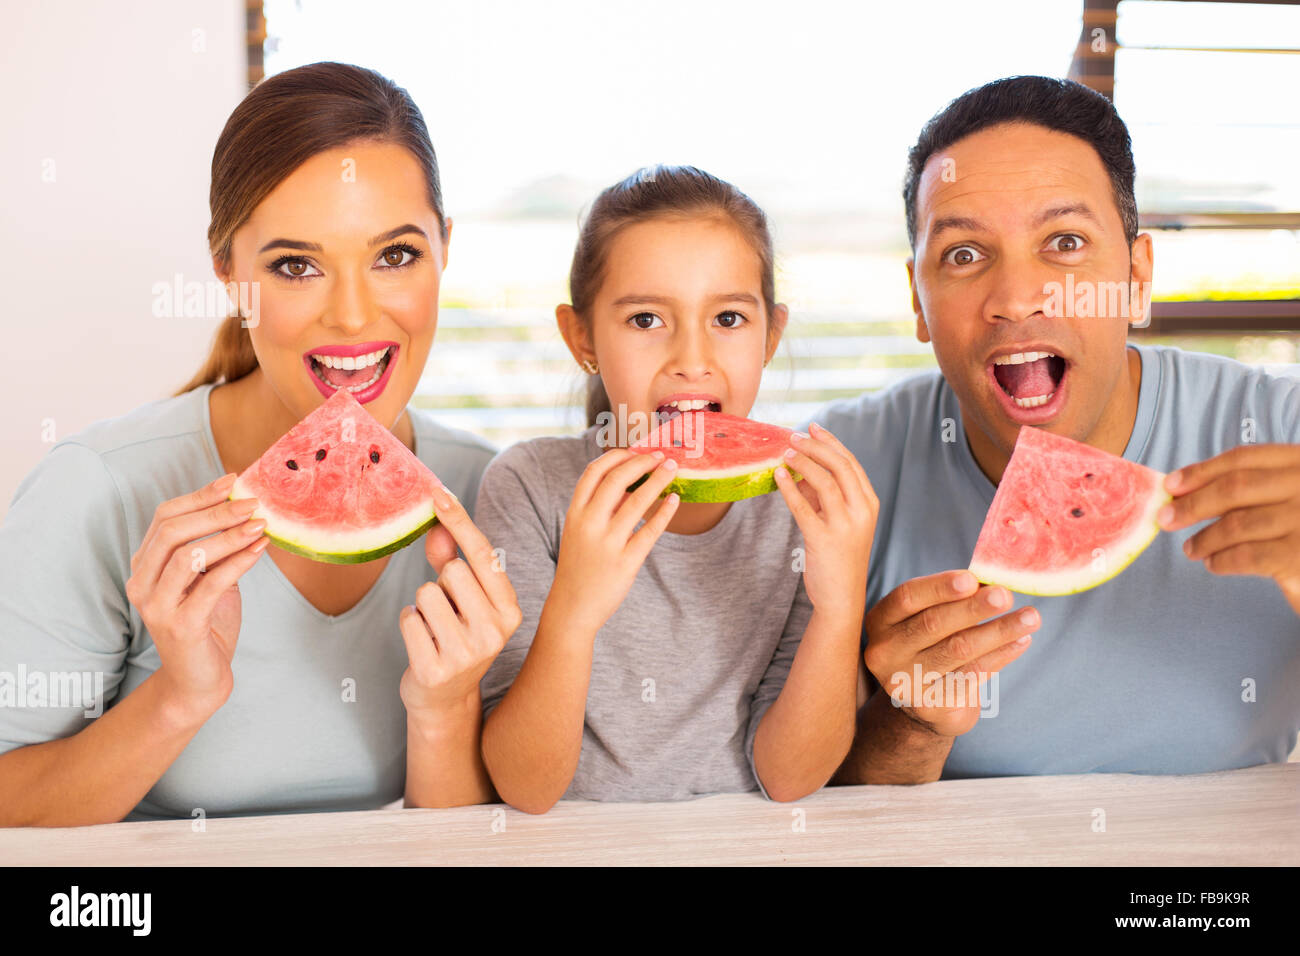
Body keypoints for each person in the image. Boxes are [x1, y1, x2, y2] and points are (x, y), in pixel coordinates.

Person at [0, 62, 520, 826]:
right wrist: (181, 697)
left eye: (396, 255)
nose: (352, 315)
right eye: (296, 266)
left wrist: (444, 709)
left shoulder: (487, 495)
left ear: (444, 248)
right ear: (228, 274)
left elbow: (466, 841)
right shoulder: (98, 488)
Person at [817, 76, 1300, 785]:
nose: (1015, 299)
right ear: (917, 301)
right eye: (962, 254)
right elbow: (807, 807)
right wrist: (911, 722)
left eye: (1065, 242)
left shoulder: (1281, 434)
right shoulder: (846, 470)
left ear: (1136, 278)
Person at [475, 166, 879, 812]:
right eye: (644, 320)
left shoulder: (804, 510)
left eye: (727, 317)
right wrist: (576, 610)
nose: (692, 358)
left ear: (771, 335)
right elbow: (526, 786)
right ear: (581, 337)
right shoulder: (529, 488)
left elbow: (790, 777)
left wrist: (839, 609)